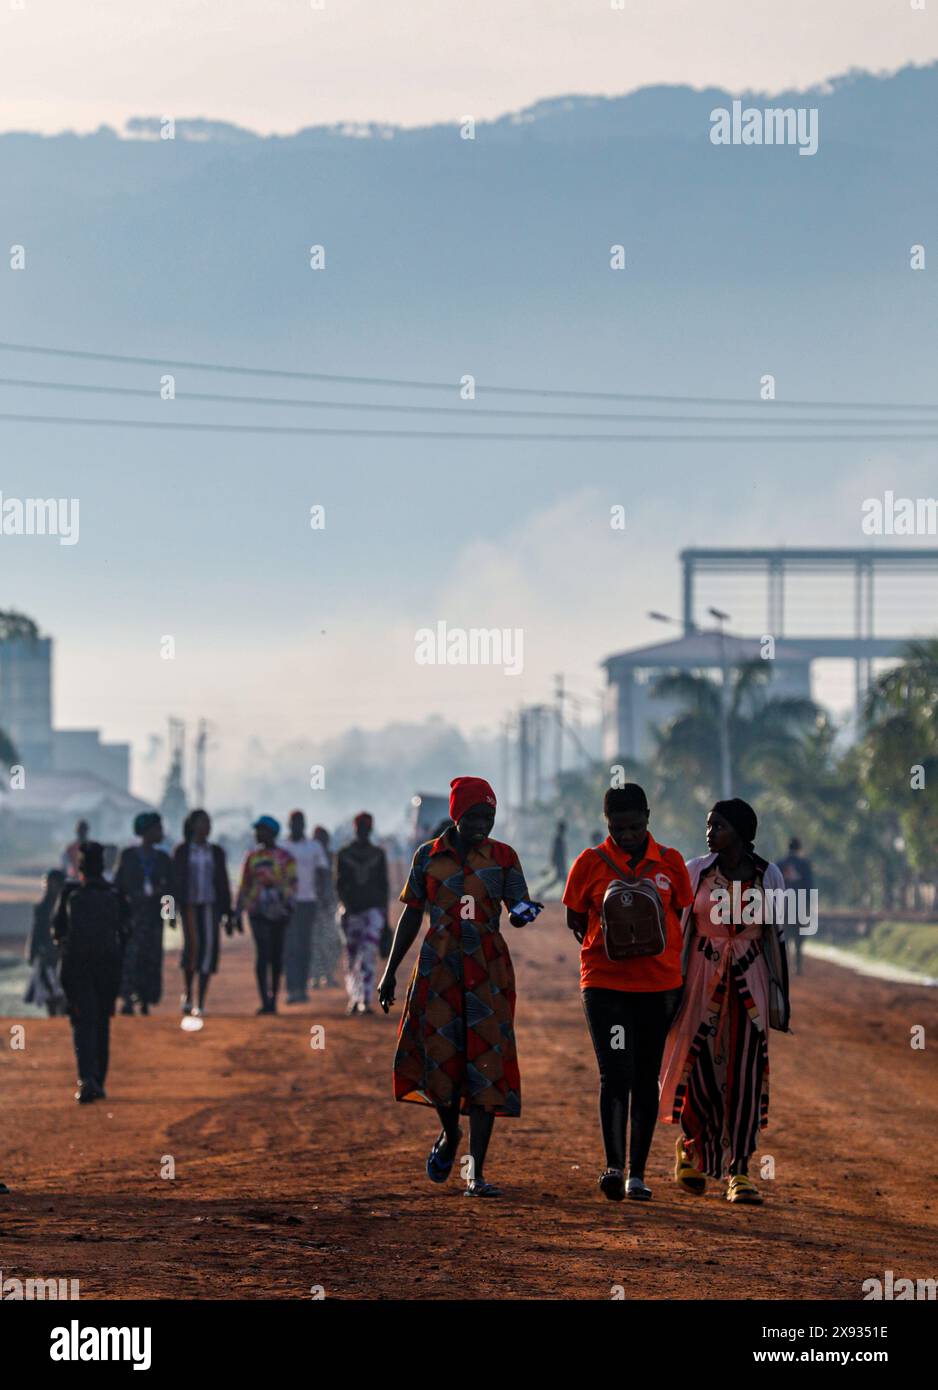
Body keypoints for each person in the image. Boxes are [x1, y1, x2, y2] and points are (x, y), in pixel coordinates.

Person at [379, 776, 540, 1198]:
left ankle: (476, 1173)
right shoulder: (428, 857)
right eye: (473, 816)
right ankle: (451, 1136)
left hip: (488, 972)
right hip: (439, 970)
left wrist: (525, 912)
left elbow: (518, 906)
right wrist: (390, 970)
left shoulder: (503, 858)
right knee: (441, 1061)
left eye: (488, 816)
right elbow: (412, 916)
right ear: (456, 815)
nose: (482, 824)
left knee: (486, 1064)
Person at [563, 784, 692, 1203]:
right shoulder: (589, 863)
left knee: (645, 1076)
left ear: (648, 818)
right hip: (605, 986)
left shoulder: (671, 863)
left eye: (635, 826)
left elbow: (680, 918)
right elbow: (575, 919)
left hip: (659, 988)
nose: (628, 835)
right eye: (619, 828)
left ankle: (638, 1174)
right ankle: (614, 1168)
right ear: (607, 824)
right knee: (616, 1073)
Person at [659, 799, 791, 1206]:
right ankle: (692, 1147)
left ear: (740, 832)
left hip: (748, 983)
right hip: (701, 978)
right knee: (697, 1066)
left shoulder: (768, 875)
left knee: (746, 1071)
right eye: (708, 825)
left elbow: (776, 934)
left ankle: (740, 1170)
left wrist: (780, 996)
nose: (710, 832)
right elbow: (679, 926)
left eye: (718, 826)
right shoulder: (696, 870)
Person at [52, 841, 131, 1103]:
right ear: (103, 867)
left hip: (76, 967)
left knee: (82, 1022)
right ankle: (99, 1079)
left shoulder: (69, 892)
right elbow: (127, 930)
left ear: (80, 867)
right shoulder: (115, 894)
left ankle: (86, 1078)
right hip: (108, 967)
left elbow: (57, 931)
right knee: (101, 1021)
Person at [173, 809, 234, 1017]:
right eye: (203, 822)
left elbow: (223, 883)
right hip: (189, 905)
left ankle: (201, 1000)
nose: (207, 827)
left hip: (210, 905)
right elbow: (173, 884)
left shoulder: (215, 852)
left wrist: (228, 913)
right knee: (193, 947)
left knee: (209, 949)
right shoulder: (182, 851)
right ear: (193, 826)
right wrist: (170, 912)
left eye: (209, 822)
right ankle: (188, 993)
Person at [113, 812, 175, 1015]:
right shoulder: (129, 856)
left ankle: (146, 999)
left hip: (154, 917)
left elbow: (169, 891)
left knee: (152, 958)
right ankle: (128, 998)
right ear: (146, 831)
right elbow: (119, 886)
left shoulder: (164, 859)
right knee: (130, 958)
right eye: (157, 829)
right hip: (132, 917)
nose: (161, 833)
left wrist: (170, 915)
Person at [236, 815, 297, 1014]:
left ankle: (273, 998)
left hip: (280, 912)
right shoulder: (252, 857)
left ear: (271, 833)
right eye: (257, 830)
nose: (257, 834)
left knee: (276, 955)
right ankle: (265, 1000)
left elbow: (292, 884)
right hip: (257, 911)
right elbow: (244, 885)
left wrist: (287, 904)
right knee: (263, 953)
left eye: (261, 830)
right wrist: (238, 911)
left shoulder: (286, 858)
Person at [336, 812, 389, 1016]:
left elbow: (383, 887)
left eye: (366, 828)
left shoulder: (378, 854)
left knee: (367, 954)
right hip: (350, 912)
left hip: (372, 911)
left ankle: (364, 1000)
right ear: (356, 829)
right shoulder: (344, 854)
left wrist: (385, 920)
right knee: (351, 957)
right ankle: (354, 997)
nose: (364, 832)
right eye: (361, 828)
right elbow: (339, 884)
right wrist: (347, 907)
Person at [282, 810, 330, 1003]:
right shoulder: (281, 847)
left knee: (304, 946)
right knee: (289, 947)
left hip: (308, 901)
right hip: (286, 903)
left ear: (304, 825)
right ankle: (291, 988)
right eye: (294, 823)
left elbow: (323, 872)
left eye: (300, 823)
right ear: (289, 824)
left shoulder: (314, 847)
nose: (297, 826)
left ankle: (301, 988)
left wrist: (323, 894)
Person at [24, 868, 68, 1015]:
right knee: (51, 995)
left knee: (64, 992)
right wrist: (32, 953)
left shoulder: (69, 906)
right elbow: (36, 931)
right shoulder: (42, 908)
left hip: (64, 956)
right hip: (47, 957)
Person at [777, 836, 813, 975]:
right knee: (799, 937)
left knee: (784, 936)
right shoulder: (804, 864)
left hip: (784, 905)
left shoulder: (780, 864)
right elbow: (809, 887)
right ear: (799, 848)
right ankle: (798, 966)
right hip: (799, 905)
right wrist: (808, 906)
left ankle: (784, 966)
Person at [311, 825, 341, 987]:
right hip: (316, 906)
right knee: (318, 942)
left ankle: (325, 975)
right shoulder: (313, 858)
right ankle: (318, 976)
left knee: (329, 942)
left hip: (329, 906)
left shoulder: (332, 858)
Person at [550, 819, 568, 887]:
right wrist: (554, 862)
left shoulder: (560, 838)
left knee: (558, 880)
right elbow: (555, 851)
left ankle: (539, 893)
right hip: (560, 863)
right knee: (565, 879)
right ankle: (565, 895)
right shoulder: (558, 839)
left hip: (561, 862)